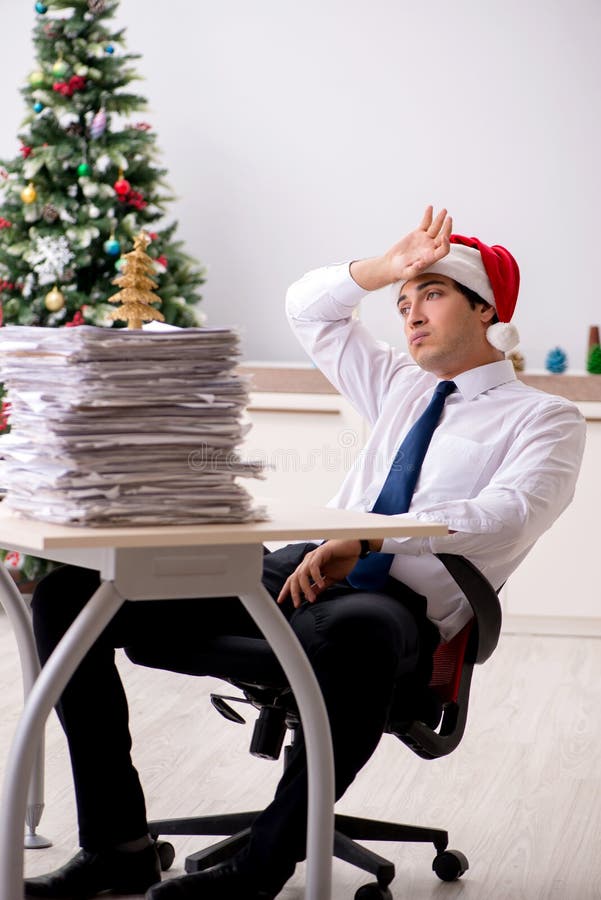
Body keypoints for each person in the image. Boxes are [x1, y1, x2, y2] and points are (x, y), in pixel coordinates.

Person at [25, 207, 586, 900]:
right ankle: (118, 847)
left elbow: (510, 513)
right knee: (68, 593)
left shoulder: (544, 418)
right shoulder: (397, 386)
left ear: (487, 310)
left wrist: (374, 535)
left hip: (389, 606)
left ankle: (262, 866)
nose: (409, 313)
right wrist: (386, 267)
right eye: (402, 302)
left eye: (431, 294)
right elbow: (310, 310)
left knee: (359, 633)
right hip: (294, 569)